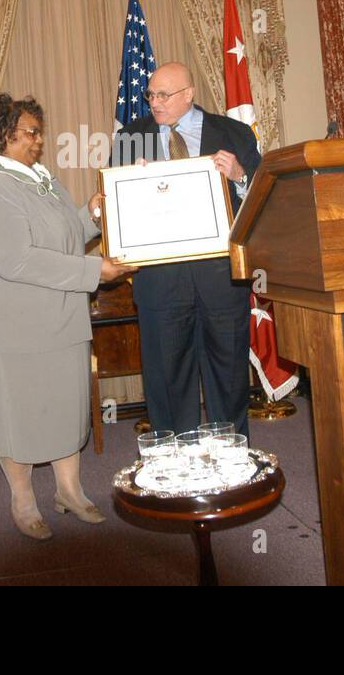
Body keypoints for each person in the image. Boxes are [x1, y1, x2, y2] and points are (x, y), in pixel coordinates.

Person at [0, 94, 135, 541]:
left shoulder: (41, 179)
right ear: (4, 135)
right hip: (13, 327)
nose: (40, 141)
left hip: (60, 316)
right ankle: (22, 499)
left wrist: (92, 213)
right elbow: (16, 261)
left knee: (65, 406)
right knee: (19, 415)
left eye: (39, 132)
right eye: (31, 133)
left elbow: (68, 236)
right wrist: (95, 271)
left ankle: (69, 491)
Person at [112, 62, 261, 437]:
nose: (155, 103)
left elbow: (264, 202)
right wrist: (133, 184)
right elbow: (113, 207)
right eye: (150, 95)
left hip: (221, 282)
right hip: (160, 284)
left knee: (228, 378)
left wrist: (241, 176)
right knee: (166, 382)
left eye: (164, 95)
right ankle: (174, 467)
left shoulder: (234, 132)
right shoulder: (131, 138)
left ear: (189, 94)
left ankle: (232, 457)